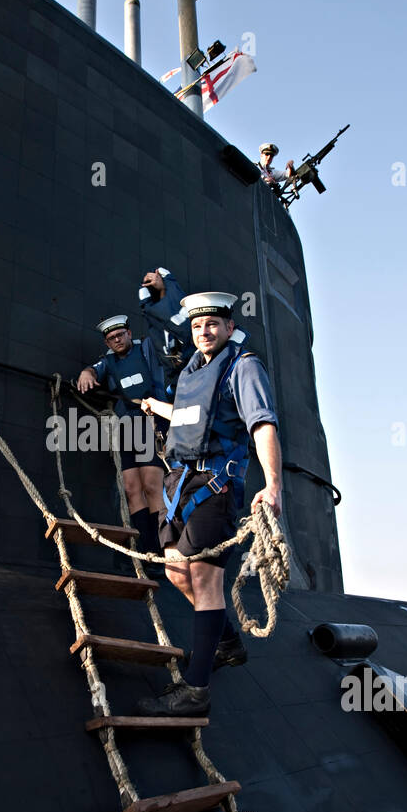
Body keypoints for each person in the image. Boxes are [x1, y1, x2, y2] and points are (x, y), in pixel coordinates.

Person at [135, 291, 282, 717]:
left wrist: (272, 486)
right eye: (197, 325)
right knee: (174, 569)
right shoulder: (191, 373)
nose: (204, 331)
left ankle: (196, 691)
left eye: (213, 324)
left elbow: (262, 423)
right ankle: (227, 642)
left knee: (203, 579)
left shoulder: (243, 365)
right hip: (180, 482)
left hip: (216, 484)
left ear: (229, 327)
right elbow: (186, 418)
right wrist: (153, 406)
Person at [76, 315, 166, 558]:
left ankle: (161, 548)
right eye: (111, 338)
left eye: (120, 335)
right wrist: (86, 372)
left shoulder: (147, 349)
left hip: (150, 421)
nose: (117, 340)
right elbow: (95, 369)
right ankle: (143, 546)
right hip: (126, 427)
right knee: (131, 488)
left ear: (128, 332)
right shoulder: (108, 361)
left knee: (151, 485)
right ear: (107, 342)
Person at [138, 267, 190, 384]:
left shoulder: (186, 313)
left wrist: (167, 284)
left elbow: (183, 329)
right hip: (176, 383)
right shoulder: (155, 328)